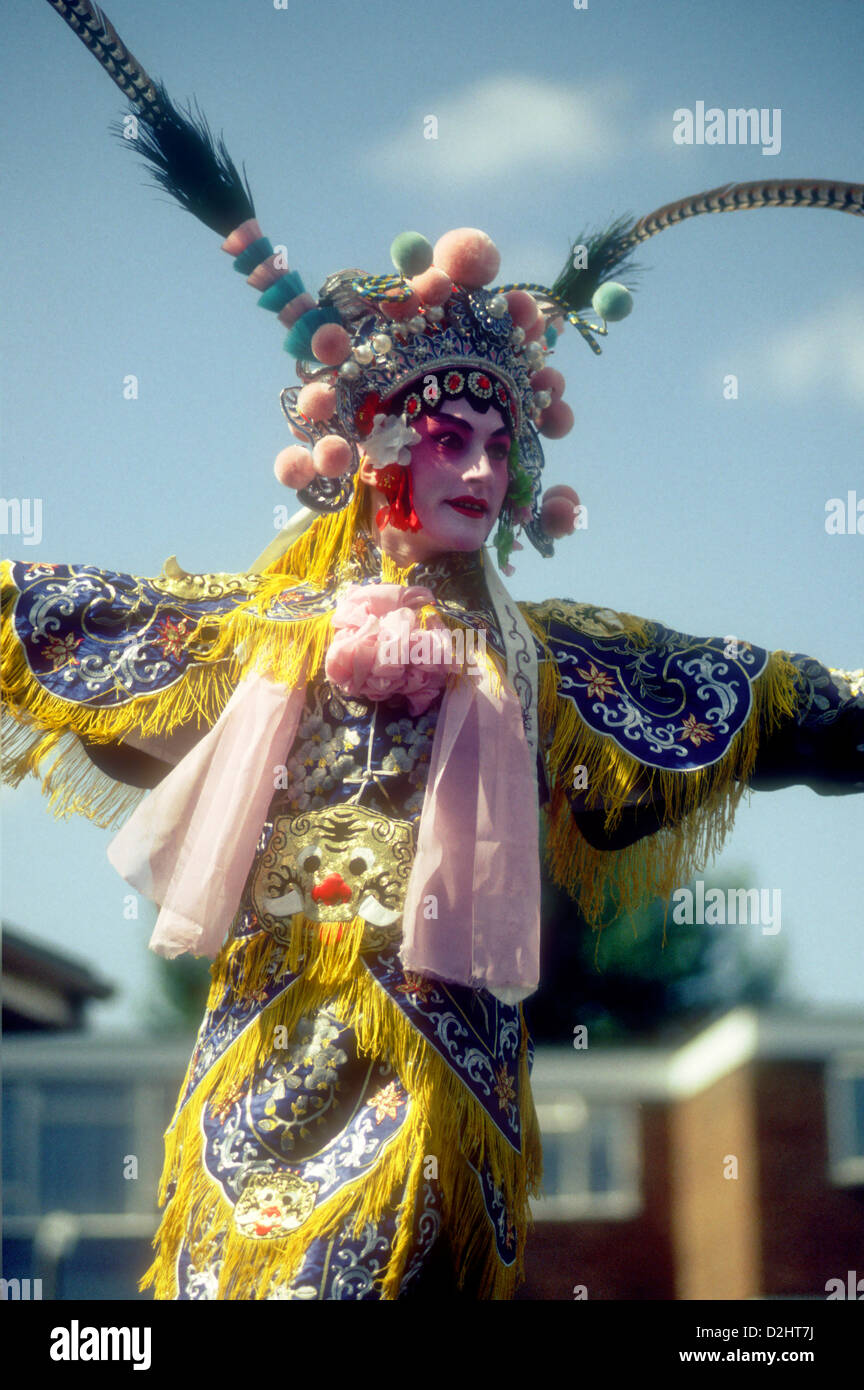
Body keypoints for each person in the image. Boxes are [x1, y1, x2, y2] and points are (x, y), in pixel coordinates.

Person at [3, 0, 863, 1300]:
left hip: (439, 1099)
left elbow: (795, 705)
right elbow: (54, 618)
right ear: (368, 454)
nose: (477, 463)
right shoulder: (259, 636)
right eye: (443, 435)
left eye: (499, 441)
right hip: (252, 1076)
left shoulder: (549, 663)